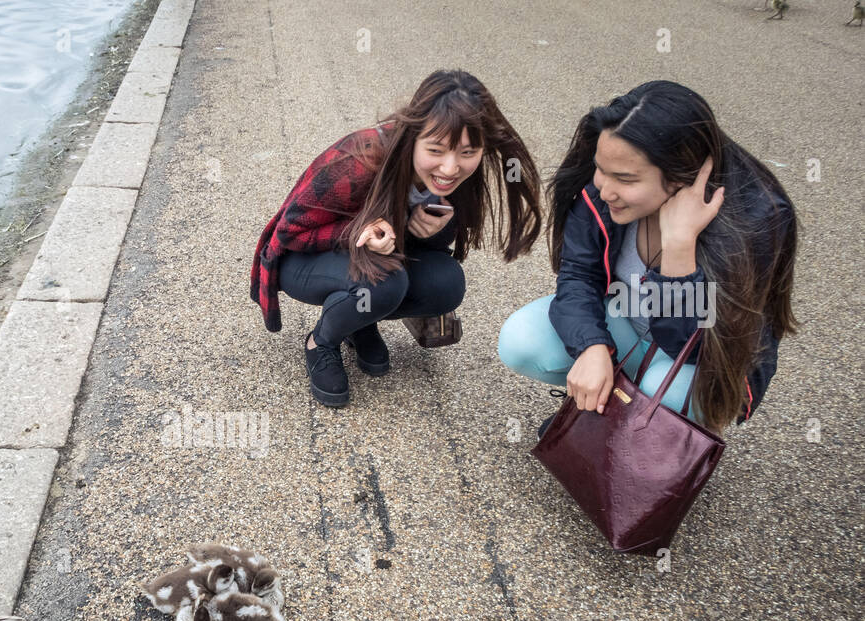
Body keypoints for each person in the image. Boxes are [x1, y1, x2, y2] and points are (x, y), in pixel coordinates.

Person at [498, 80, 798, 435]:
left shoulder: (754, 222)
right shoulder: (601, 193)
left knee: (665, 391)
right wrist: (592, 347)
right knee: (522, 340)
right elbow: (578, 277)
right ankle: (613, 409)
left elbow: (694, 347)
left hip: (702, 358)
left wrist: (680, 250)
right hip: (627, 325)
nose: (604, 189)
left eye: (625, 178)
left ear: (681, 176)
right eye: (601, 168)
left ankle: (659, 432)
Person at [251, 70, 543, 407]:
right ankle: (321, 341)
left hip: (364, 260)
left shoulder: (456, 180)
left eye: (466, 153)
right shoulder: (359, 159)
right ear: (412, 135)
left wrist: (433, 227)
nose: (450, 168)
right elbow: (288, 233)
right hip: (300, 260)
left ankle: (359, 320)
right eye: (436, 150)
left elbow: (425, 251)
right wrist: (357, 231)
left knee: (446, 284)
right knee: (385, 281)